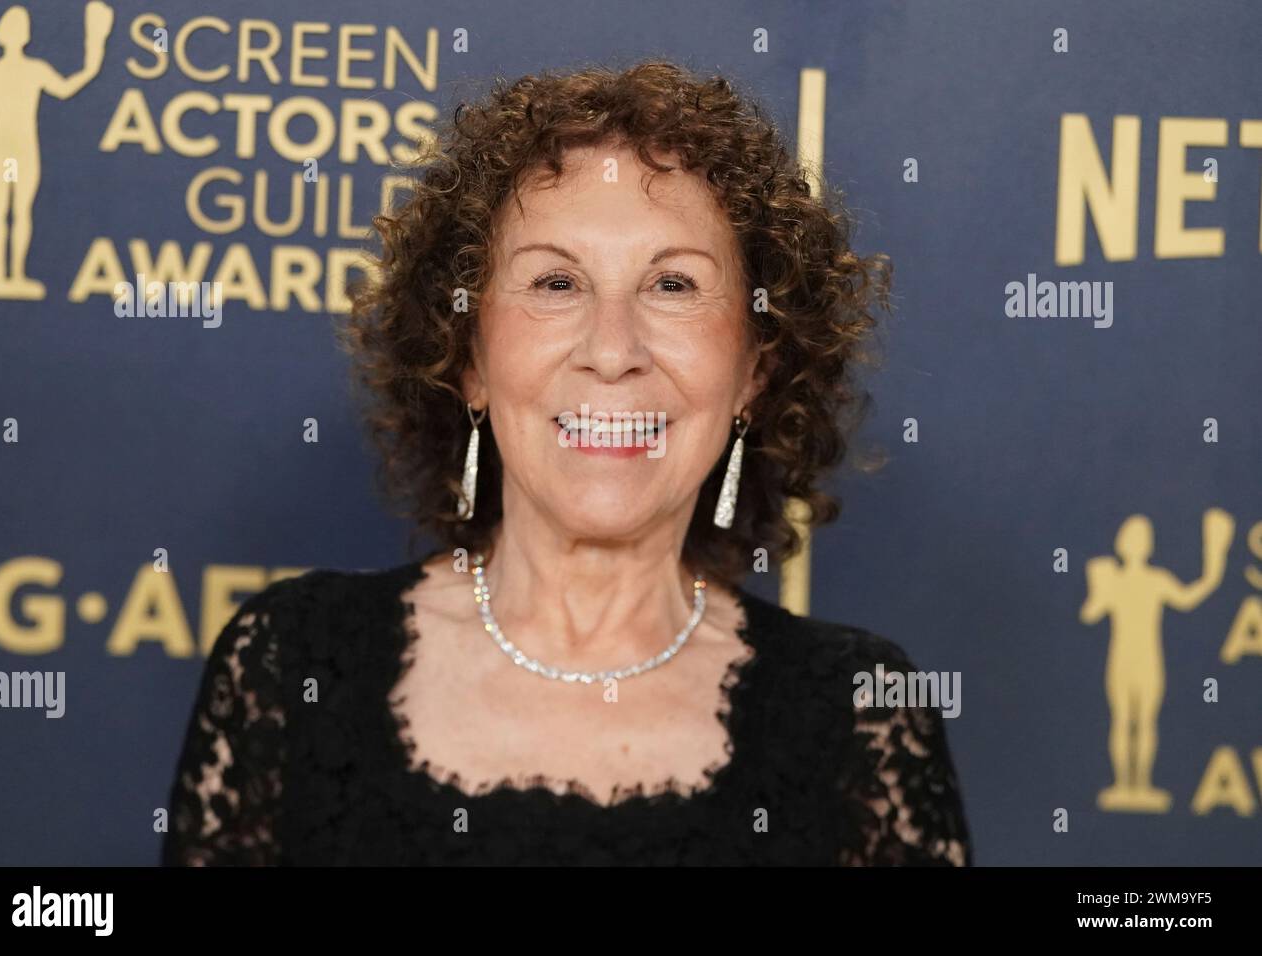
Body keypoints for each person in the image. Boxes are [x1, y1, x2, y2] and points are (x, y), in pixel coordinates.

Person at [161, 60, 972, 866]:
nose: (612, 350)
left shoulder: (859, 717)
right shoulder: (292, 664)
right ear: (468, 356)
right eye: (555, 281)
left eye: (673, 285)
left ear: (753, 372)